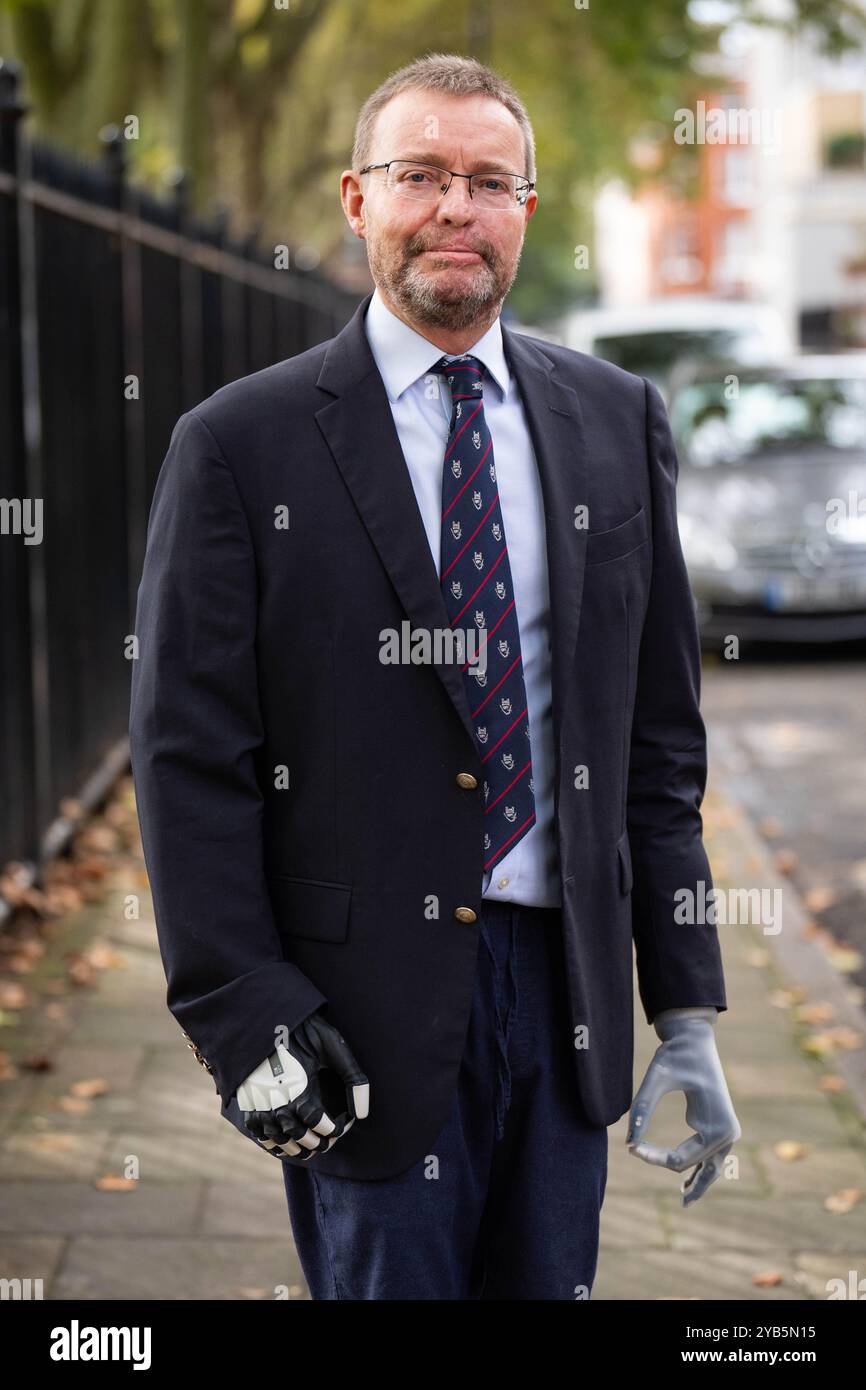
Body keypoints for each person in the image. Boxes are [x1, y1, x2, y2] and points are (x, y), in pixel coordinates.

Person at [129, 52, 739, 1302]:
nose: (454, 207)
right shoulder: (241, 443)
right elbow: (190, 758)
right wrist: (243, 1012)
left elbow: (658, 746)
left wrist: (684, 1012)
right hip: (354, 1011)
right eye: (420, 175)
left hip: (567, 999)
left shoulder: (617, 421)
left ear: (527, 208)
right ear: (358, 200)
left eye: (486, 181)